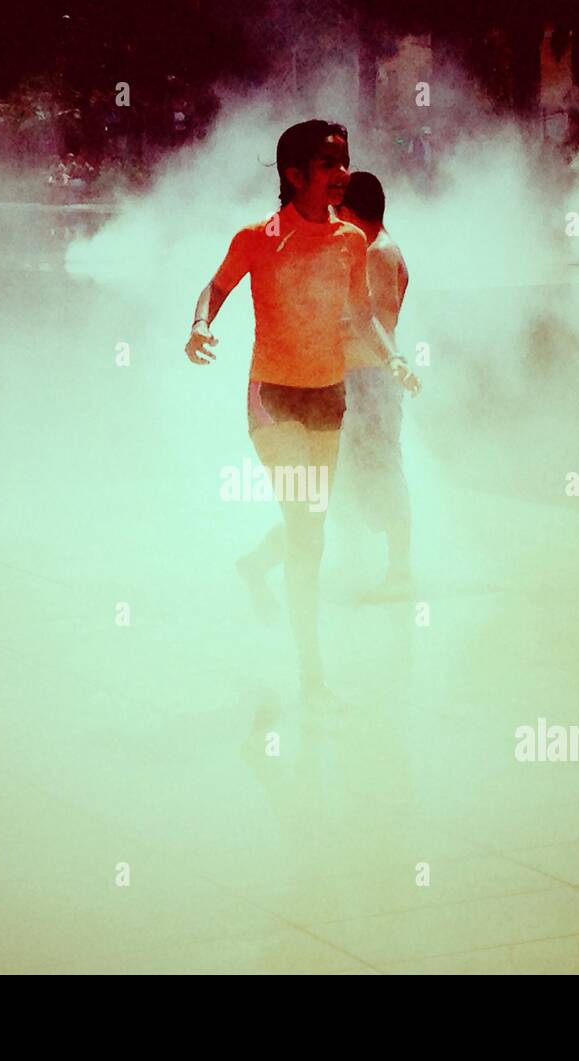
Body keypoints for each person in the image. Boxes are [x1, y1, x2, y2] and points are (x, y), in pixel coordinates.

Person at [184, 120, 418, 708]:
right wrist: (199, 326)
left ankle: (263, 584)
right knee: (306, 526)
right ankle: (312, 677)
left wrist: (394, 361)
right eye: (329, 164)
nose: (343, 175)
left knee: (308, 532)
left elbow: (363, 318)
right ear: (295, 175)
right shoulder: (257, 237)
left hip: (327, 399)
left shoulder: (352, 243)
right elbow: (214, 288)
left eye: (345, 162)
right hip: (274, 401)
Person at [337, 171, 413, 594]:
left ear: (351, 211)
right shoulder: (370, 250)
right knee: (351, 472)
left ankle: (399, 570)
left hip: (372, 379)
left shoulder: (379, 253)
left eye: (337, 209)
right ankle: (356, 565)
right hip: (358, 377)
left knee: (383, 470)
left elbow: (373, 320)